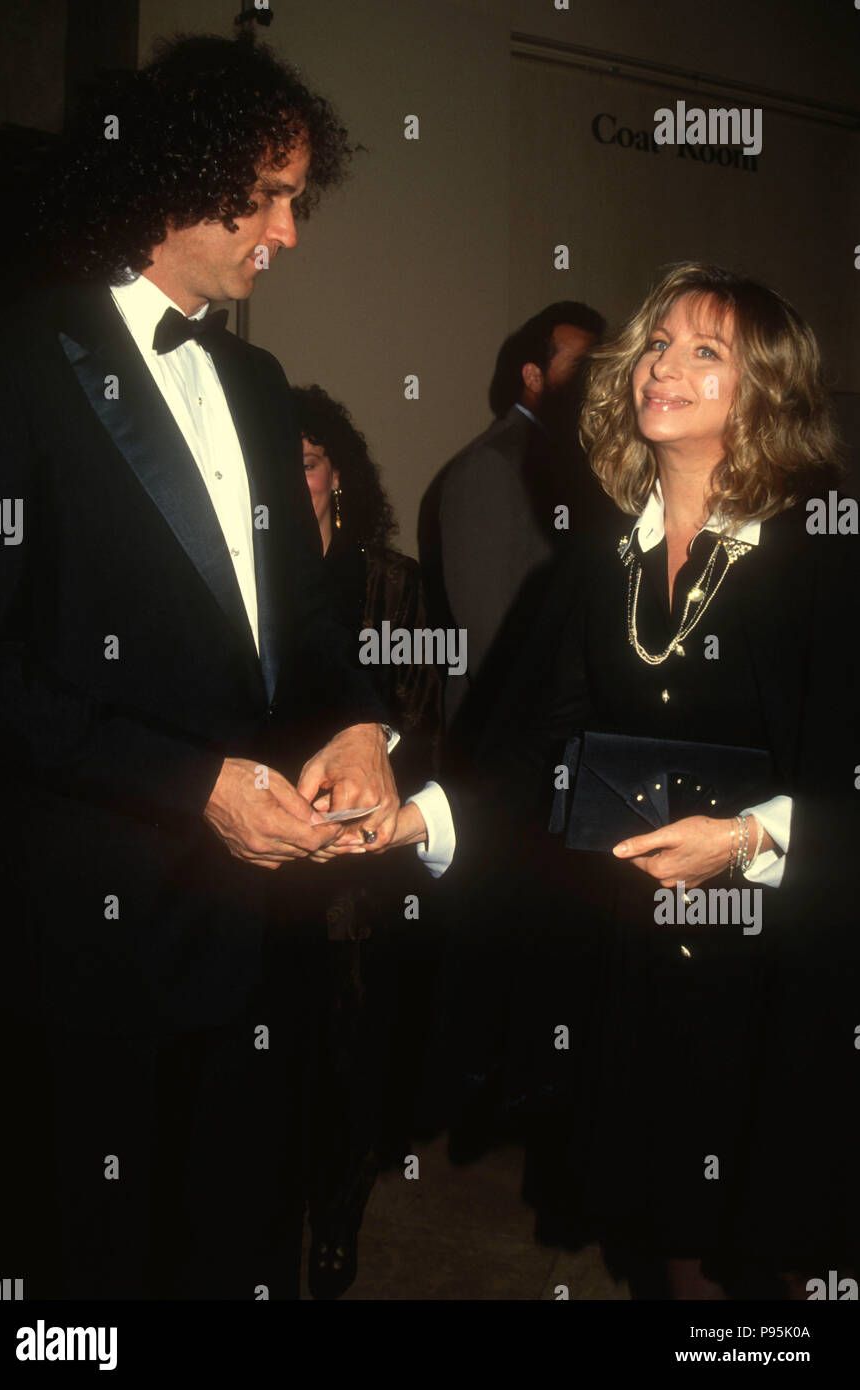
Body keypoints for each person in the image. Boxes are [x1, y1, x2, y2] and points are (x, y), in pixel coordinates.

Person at [0, 33, 400, 1301]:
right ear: (173, 180)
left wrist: (360, 723)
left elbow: (311, 619)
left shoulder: (261, 385)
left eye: (297, 199)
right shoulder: (3, 366)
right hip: (87, 917)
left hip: (262, 918)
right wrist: (190, 780)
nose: (289, 232)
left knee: (231, 1244)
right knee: (81, 1272)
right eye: (266, 196)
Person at [390, 262, 860, 1298]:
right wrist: (407, 817)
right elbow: (525, 749)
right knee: (667, 1233)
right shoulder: (600, 561)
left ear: (766, 392)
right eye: (658, 343)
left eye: (707, 352)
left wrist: (747, 840)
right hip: (640, 964)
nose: (664, 366)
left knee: (775, 1241)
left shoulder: (828, 552)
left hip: (786, 967)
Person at [293, 384, 442, 1297]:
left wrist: (352, 788)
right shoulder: (235, 578)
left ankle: (339, 1225)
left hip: (354, 869)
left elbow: (421, 719)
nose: (290, 479)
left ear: (336, 473)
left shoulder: (392, 583)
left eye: (306, 460)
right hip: (253, 865)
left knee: (347, 1066)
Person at [418, 301, 606, 743]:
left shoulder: (582, 463)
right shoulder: (491, 464)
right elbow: (488, 636)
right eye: (578, 365)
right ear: (533, 377)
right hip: (508, 742)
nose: (592, 380)